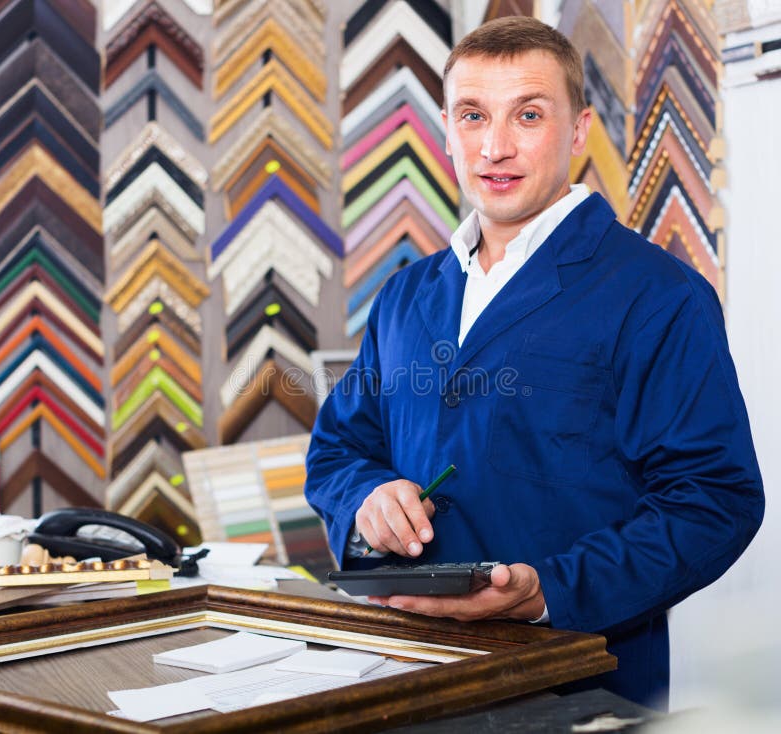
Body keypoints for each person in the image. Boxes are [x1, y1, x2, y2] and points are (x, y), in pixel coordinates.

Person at [304, 16, 763, 708]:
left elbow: (714, 500)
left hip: (575, 689)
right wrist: (367, 499)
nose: (495, 146)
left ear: (578, 131)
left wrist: (551, 590)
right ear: (446, 130)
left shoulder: (659, 296)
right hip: (407, 677)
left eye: (528, 115)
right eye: (473, 115)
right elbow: (339, 451)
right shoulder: (404, 296)